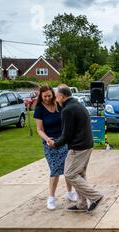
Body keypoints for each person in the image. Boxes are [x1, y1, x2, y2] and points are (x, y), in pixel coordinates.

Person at [48, 85, 103, 213]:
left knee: (70, 174)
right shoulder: (77, 105)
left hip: (78, 147)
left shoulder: (68, 110)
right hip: (87, 144)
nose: (56, 99)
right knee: (79, 175)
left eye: (56, 97)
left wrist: (54, 143)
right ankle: (81, 204)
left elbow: (67, 135)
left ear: (62, 96)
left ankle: (95, 196)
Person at [33, 85, 77, 211]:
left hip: (64, 141)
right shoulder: (39, 110)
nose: (47, 98)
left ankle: (70, 192)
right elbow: (39, 129)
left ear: (53, 94)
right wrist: (47, 139)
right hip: (50, 143)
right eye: (44, 96)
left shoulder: (59, 105)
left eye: (49, 95)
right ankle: (51, 197)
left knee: (68, 168)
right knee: (55, 169)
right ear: (41, 96)